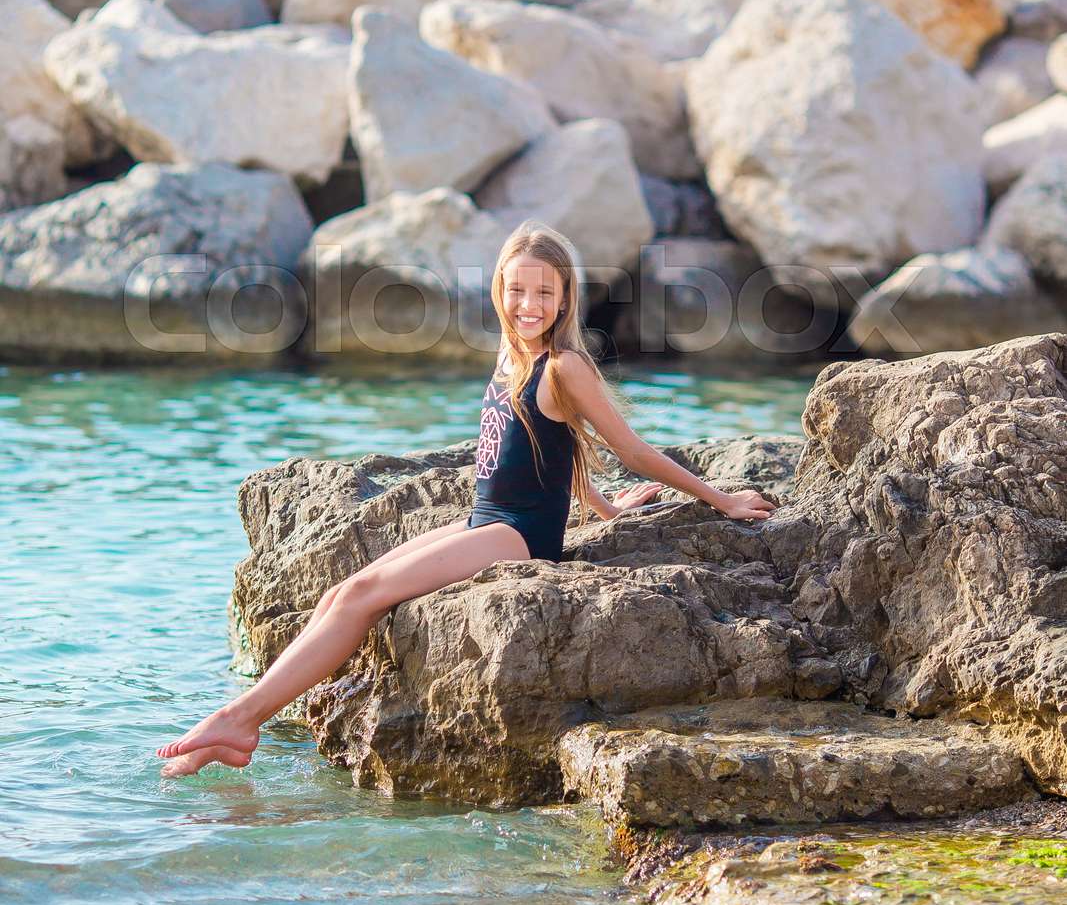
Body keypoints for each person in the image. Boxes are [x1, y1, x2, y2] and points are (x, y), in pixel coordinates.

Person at [157, 221, 779, 777]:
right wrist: (607, 510)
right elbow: (550, 447)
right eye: (516, 290)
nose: (528, 304)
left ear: (564, 298)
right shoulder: (512, 356)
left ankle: (237, 720)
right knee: (339, 594)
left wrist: (721, 500)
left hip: (519, 536)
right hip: (485, 518)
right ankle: (241, 726)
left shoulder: (565, 366)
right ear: (498, 291)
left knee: (365, 598)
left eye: (544, 292)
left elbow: (634, 451)